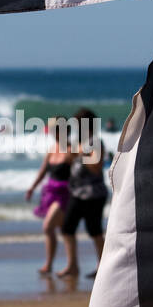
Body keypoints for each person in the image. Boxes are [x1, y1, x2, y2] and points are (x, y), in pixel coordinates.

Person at [58, 109, 107, 278]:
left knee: (94, 231)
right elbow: (66, 159)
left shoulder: (95, 142)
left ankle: (103, 266)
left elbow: (97, 167)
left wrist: (81, 154)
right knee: (67, 228)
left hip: (93, 193)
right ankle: (72, 266)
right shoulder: (80, 141)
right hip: (77, 192)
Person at [26, 119, 72, 274]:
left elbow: (81, 172)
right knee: (62, 229)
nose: (51, 132)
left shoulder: (72, 149)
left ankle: (54, 264)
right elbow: (43, 171)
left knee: (48, 226)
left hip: (65, 194)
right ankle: (65, 265)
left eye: (54, 129)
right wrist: (32, 188)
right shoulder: (53, 148)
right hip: (51, 192)